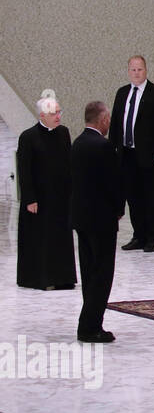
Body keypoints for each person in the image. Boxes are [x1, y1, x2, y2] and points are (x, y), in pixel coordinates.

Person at [70, 101, 123, 343]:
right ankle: (90, 326)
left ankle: (90, 322)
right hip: (101, 219)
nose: (109, 123)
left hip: (82, 218)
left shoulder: (77, 143)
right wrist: (118, 209)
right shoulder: (103, 146)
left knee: (90, 271)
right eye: (108, 119)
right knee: (102, 273)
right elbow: (113, 182)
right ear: (102, 120)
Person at [109, 55, 154, 252]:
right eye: (133, 70)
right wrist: (112, 150)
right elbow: (115, 124)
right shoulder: (122, 93)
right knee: (133, 196)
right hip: (127, 154)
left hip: (150, 155)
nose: (136, 73)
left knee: (151, 197)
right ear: (128, 71)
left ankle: (152, 238)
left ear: (146, 70)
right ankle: (139, 235)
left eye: (140, 70)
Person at [16, 96, 76, 290]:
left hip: (60, 196)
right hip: (39, 198)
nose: (58, 116)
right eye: (53, 113)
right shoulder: (28, 137)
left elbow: (68, 164)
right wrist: (30, 198)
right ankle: (40, 278)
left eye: (59, 112)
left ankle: (64, 277)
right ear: (42, 115)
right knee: (41, 238)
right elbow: (24, 171)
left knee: (61, 236)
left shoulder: (64, 133)